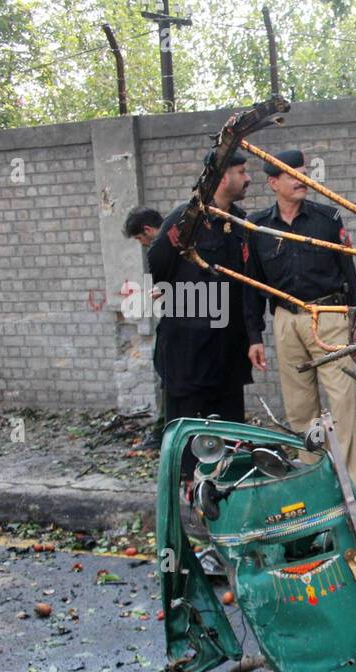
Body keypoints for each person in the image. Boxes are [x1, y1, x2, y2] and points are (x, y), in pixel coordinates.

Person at [244, 149, 356, 483]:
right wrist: (254, 336)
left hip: (328, 316)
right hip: (285, 319)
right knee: (300, 407)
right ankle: (312, 477)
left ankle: (351, 485)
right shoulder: (258, 227)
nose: (302, 179)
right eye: (292, 174)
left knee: (341, 401)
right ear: (273, 182)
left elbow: (349, 272)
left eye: (302, 172)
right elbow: (251, 285)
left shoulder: (328, 218)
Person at [147, 155, 259, 475]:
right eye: (241, 171)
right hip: (188, 346)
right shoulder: (186, 218)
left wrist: (253, 336)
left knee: (229, 423)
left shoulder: (240, 222)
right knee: (187, 421)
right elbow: (158, 265)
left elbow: (249, 283)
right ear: (223, 178)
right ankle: (185, 485)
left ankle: (226, 483)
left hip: (227, 347)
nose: (248, 177)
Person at [123, 207, 166, 449]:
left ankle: (162, 432)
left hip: (181, 326)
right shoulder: (172, 240)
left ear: (148, 230)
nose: (141, 244)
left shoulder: (164, 248)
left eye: (140, 238)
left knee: (170, 379)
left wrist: (164, 292)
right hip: (175, 323)